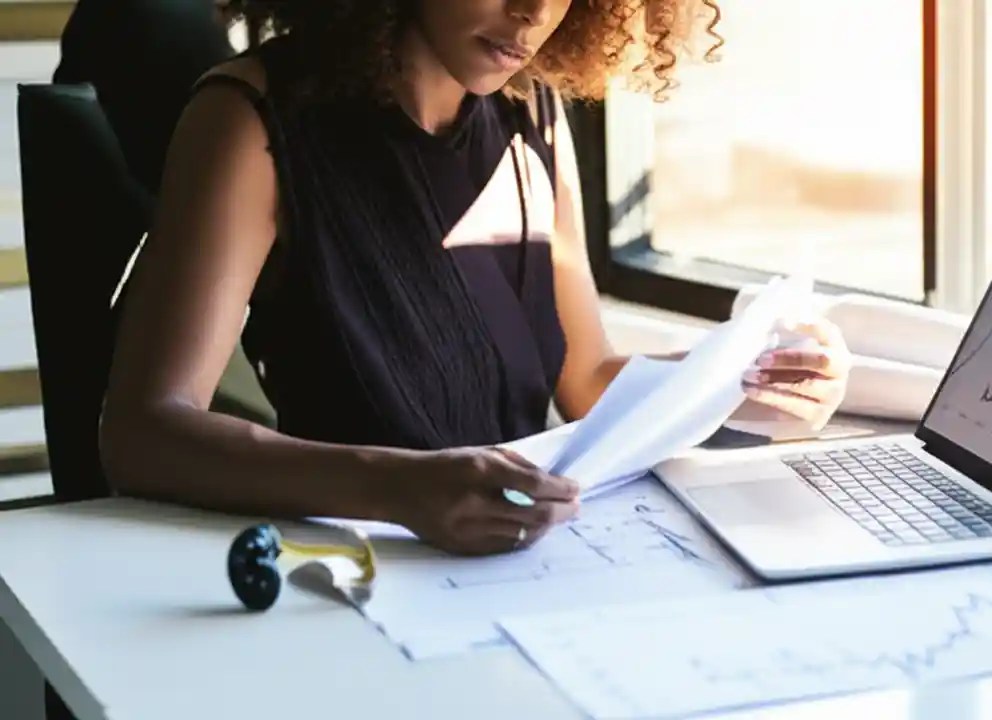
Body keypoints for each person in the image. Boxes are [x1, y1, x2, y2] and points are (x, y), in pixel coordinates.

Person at [98, 0, 854, 558]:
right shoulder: (253, 122)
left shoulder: (533, 115)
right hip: (361, 572)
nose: (532, 16)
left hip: (527, 559)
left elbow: (585, 377)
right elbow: (142, 433)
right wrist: (402, 487)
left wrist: (747, 381)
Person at [53, 0, 238, 196]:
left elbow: (63, 96)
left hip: (110, 192)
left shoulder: (99, 9)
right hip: (192, 186)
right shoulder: (202, 18)